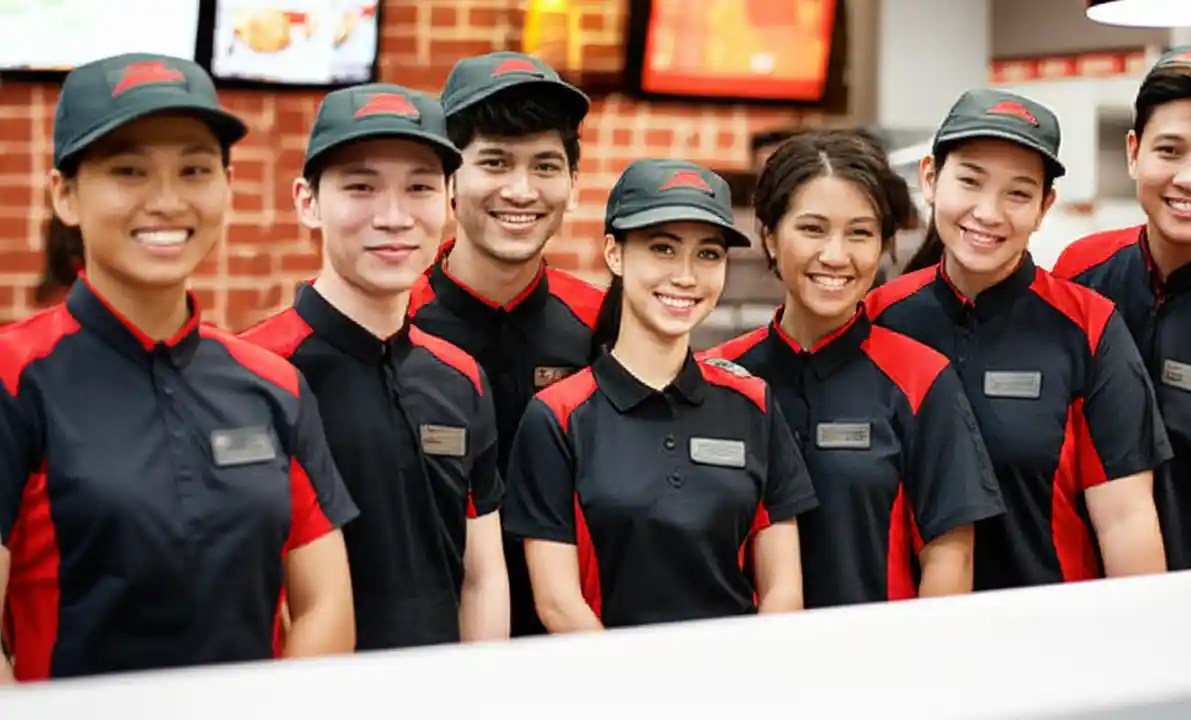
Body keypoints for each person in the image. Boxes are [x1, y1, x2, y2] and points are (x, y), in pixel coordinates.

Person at [0, 53, 357, 682]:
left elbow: (325, 603)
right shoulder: (14, 378)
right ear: (66, 195)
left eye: (194, 170)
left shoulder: (273, 384)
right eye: (129, 171)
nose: (166, 201)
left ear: (224, 185)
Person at [865, 89, 1171, 590]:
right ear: (930, 179)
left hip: (1052, 638)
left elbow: (1126, 519)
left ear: (1044, 206)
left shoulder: (1088, 326)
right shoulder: (879, 318)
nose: (988, 212)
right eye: (970, 181)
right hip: (902, 636)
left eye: (1018, 193)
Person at [240, 84, 509, 648]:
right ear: (307, 201)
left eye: (419, 188)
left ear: (449, 201)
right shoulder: (252, 375)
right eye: (361, 187)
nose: (394, 217)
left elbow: (482, 576)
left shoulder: (460, 378)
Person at [503, 159, 818, 631]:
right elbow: (557, 602)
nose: (687, 277)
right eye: (663, 249)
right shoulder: (558, 416)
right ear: (615, 253)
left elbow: (783, 588)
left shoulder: (752, 403)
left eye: (708, 254)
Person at [702, 130, 1005, 606]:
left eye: (860, 233)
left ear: (885, 244)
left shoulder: (921, 379)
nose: (836, 255)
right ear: (769, 235)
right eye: (812, 229)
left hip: (879, 667)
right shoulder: (716, 378)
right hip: (743, 665)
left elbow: (950, 560)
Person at [1054, 46, 1191, 569]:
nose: (1190, 178)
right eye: (1170, 150)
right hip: (1068, 612)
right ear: (1134, 151)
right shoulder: (1079, 271)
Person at [407, 51, 603, 637]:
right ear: (449, 179)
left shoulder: (604, 325)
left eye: (545, 166)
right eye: (494, 162)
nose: (521, 191)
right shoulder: (396, 324)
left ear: (572, 183)